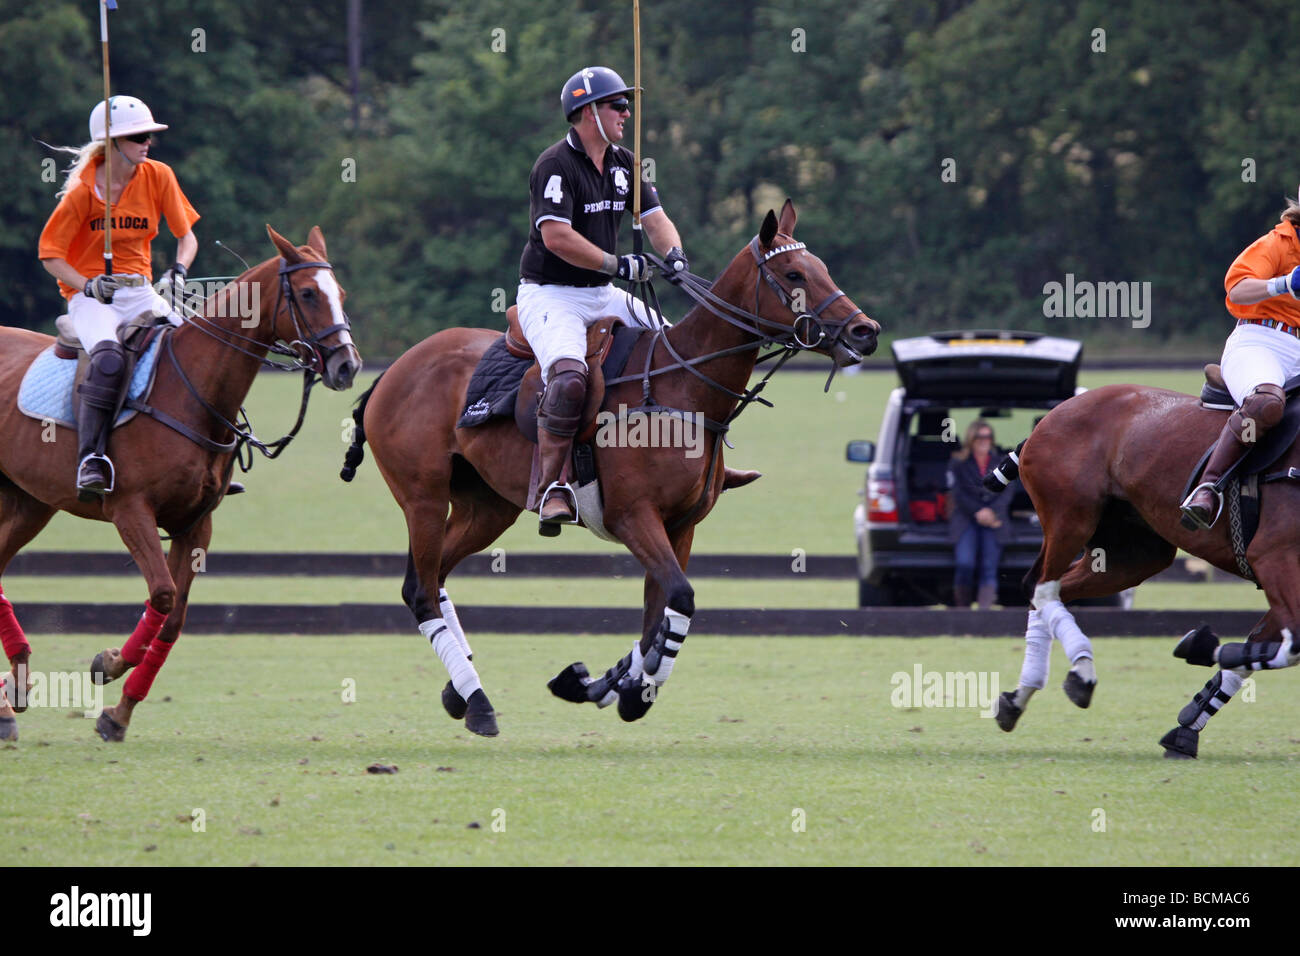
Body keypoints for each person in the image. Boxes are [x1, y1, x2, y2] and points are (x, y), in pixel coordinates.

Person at [517, 65, 690, 534]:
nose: (627, 112)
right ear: (588, 111)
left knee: (678, 353)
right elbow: (556, 237)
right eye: (618, 105)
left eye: (627, 104)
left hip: (601, 293)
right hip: (552, 295)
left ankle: (696, 466)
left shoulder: (624, 163)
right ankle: (552, 487)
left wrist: (673, 255)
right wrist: (617, 265)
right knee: (570, 378)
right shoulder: (554, 165)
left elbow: (655, 219)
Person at [38, 95, 199, 499]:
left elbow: (187, 236)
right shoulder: (81, 195)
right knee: (108, 359)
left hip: (141, 292)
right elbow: (50, 256)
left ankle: (203, 457)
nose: (148, 142)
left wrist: (179, 268)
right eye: (138, 136)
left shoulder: (158, 176)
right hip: (94, 299)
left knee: (194, 350)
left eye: (149, 136)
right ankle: (91, 459)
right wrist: (87, 285)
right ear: (111, 143)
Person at [1181, 189, 1300, 528]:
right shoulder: (1277, 244)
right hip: (1261, 341)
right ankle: (1208, 489)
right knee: (1266, 404)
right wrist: (1284, 284)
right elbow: (1237, 290)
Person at [947, 419, 1011, 609]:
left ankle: (984, 615)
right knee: (965, 563)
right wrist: (978, 511)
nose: (984, 440)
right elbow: (957, 493)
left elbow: (1007, 492)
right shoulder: (958, 463)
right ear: (971, 439)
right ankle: (963, 610)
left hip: (994, 520)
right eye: (980, 437)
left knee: (989, 567)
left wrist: (991, 512)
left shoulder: (1001, 462)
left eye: (988, 436)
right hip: (966, 519)